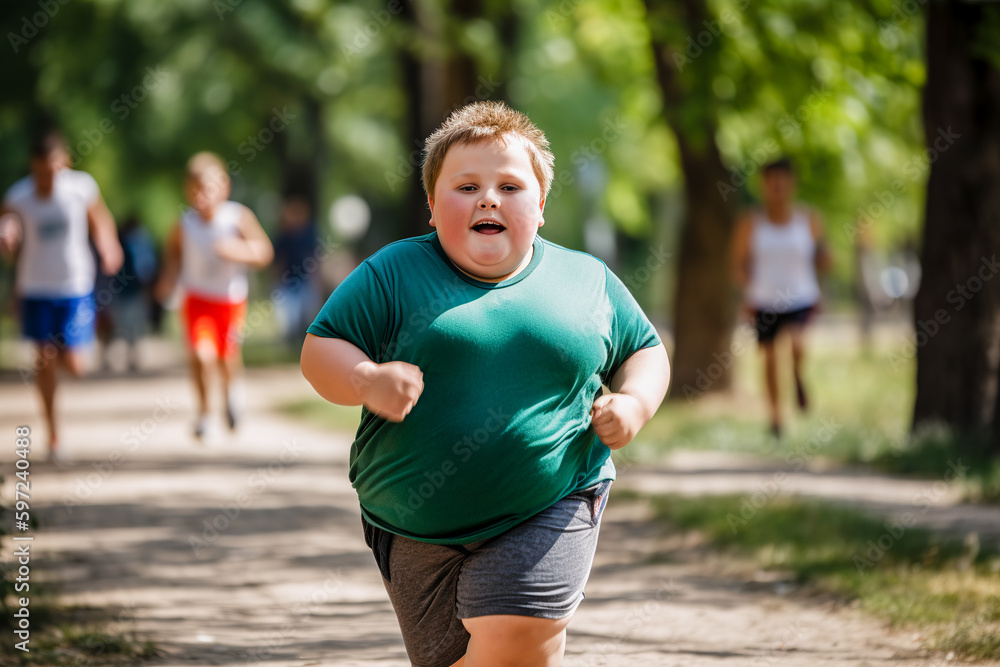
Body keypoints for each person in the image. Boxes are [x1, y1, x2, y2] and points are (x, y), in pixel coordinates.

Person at [300, 101, 671, 667]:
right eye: (466, 186)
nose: (488, 199)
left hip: (551, 497)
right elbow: (319, 349)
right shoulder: (393, 273)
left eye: (510, 186)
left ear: (541, 205)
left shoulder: (585, 281)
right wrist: (366, 379)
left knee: (517, 633)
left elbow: (646, 350)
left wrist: (636, 403)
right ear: (431, 205)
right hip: (411, 519)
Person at [0, 128, 123, 461]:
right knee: (44, 358)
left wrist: (109, 244)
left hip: (75, 287)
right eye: (41, 171)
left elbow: (101, 219)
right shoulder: (18, 196)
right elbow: (7, 229)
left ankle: (77, 355)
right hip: (35, 288)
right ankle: (54, 436)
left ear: (64, 162)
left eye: (54, 170)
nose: (48, 178)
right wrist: (7, 238)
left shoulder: (82, 188)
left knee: (74, 363)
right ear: (33, 167)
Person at [155, 153, 273, 439]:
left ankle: (233, 392)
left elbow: (264, 252)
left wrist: (237, 250)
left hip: (230, 300)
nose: (202, 195)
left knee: (226, 355)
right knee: (199, 354)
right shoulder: (184, 224)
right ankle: (205, 413)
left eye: (208, 188)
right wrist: (168, 280)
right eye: (195, 188)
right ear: (188, 190)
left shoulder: (237, 217)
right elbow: (172, 254)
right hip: (196, 298)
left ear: (224, 187)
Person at [730, 158, 831, 438]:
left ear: (791, 183)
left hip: (801, 296)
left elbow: (824, 256)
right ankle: (776, 417)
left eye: (782, 179)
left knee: (797, 344)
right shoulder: (750, 222)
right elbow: (737, 263)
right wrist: (748, 289)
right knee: (771, 358)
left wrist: (825, 261)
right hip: (763, 300)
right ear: (763, 185)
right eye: (770, 180)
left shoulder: (808, 219)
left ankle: (798, 375)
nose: (777, 186)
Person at [271, 195, 321, 345]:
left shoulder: (309, 234)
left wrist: (316, 281)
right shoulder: (283, 235)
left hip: (305, 280)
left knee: (308, 315)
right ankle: (292, 343)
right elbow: (279, 260)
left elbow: (315, 258)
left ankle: (303, 344)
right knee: (289, 318)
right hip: (287, 282)